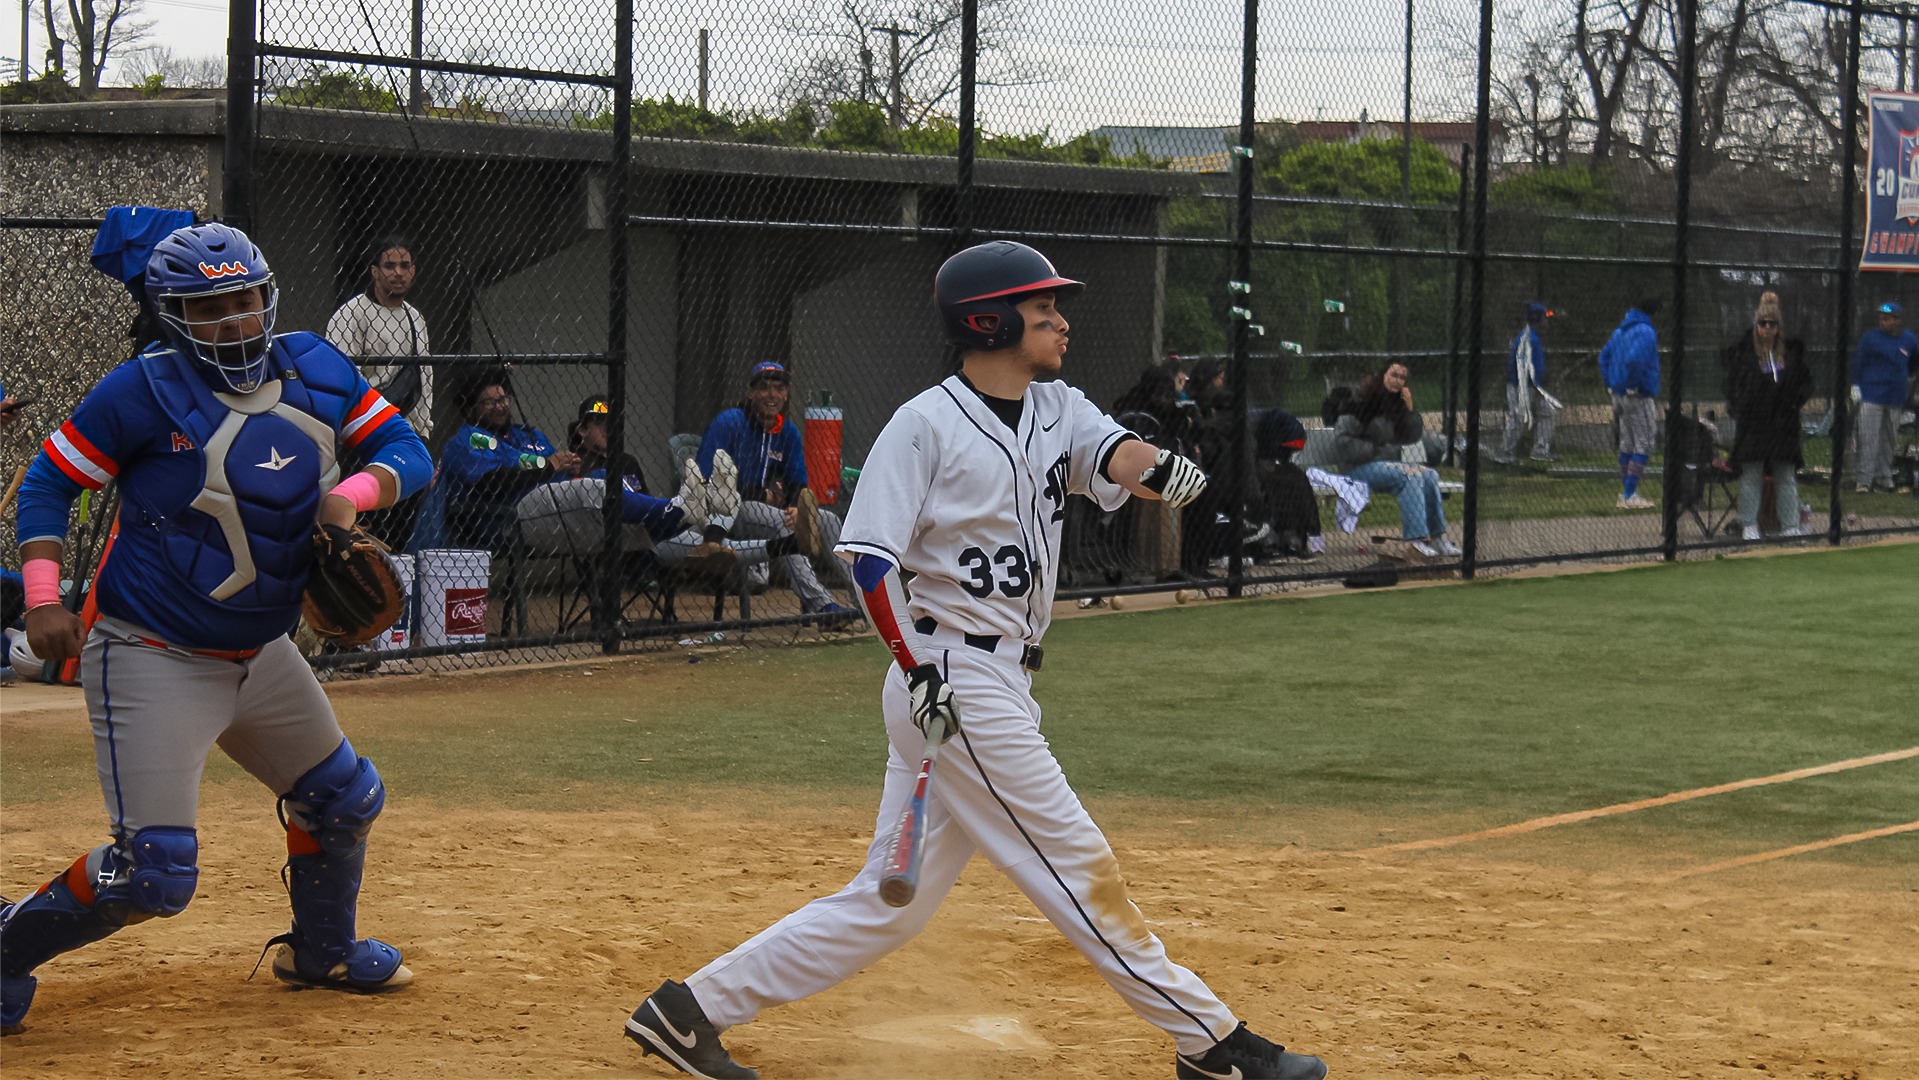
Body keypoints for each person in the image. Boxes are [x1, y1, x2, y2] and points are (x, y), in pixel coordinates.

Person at [620, 240, 1327, 1080]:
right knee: (1074, 862)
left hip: (995, 680)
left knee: (891, 904)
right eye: (1042, 311)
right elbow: (870, 560)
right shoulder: (924, 424)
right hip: (948, 677)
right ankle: (1211, 1045)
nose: (1061, 322)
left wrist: (1162, 470)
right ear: (989, 322)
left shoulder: (1056, 406)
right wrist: (917, 672)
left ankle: (686, 1010)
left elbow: (1112, 456)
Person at [2, 222, 427, 1034]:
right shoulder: (141, 389)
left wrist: (352, 497)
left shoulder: (314, 366)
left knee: (342, 799)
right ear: (173, 314)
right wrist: (45, 594)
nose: (234, 320)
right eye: (210, 307)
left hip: (260, 649)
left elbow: (405, 447)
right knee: (153, 875)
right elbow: (49, 482)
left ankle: (321, 952)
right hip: (154, 653)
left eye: (245, 300)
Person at [695, 362, 855, 622]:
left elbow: (797, 482)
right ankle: (822, 607)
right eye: (764, 387)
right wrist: (761, 496)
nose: (771, 395)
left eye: (779, 388)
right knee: (784, 525)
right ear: (750, 392)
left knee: (827, 520)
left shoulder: (786, 431)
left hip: (767, 511)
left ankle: (865, 597)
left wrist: (796, 507)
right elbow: (708, 479)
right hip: (726, 509)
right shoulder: (729, 423)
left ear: (786, 394)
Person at [326, 236, 432, 550]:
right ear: (374, 272)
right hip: (363, 435)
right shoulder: (351, 314)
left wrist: (423, 431)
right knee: (362, 531)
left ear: (413, 271)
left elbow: (425, 377)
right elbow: (341, 378)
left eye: (404, 265)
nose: (397, 273)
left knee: (399, 535)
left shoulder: (415, 318)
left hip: (405, 433)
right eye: (389, 265)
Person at [417, 373, 582, 554]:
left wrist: (569, 464)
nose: (499, 407)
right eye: (489, 403)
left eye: (503, 399)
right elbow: (490, 482)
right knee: (596, 496)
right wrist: (547, 467)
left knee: (601, 480)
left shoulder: (527, 434)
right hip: (503, 520)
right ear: (471, 408)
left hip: (555, 508)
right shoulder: (469, 438)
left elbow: (557, 463)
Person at [1332, 362, 1458, 559]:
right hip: (1356, 468)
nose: (1398, 380)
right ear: (1383, 375)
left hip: (1385, 466)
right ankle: (1416, 539)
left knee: (1429, 474)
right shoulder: (1361, 401)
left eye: (1402, 377)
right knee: (1409, 476)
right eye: (1394, 375)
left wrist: (1409, 411)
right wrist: (1374, 449)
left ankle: (1437, 537)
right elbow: (1342, 443)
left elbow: (1411, 437)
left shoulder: (1393, 407)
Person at [1721, 292, 1813, 540]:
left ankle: (1790, 526)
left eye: (1773, 324)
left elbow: (1805, 384)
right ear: (1756, 325)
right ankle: (1749, 524)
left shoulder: (1790, 355)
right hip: (1754, 426)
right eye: (1763, 324)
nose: (1768, 329)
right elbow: (1732, 387)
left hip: (1783, 426)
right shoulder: (1744, 355)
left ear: (1779, 326)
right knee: (1751, 475)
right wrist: (1741, 408)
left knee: (1786, 476)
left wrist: (1794, 403)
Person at [1600, 298, 1662, 510]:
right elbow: (1635, 360)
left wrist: (1611, 383)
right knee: (1643, 442)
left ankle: (1626, 492)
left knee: (1627, 442)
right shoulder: (1646, 331)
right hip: (1638, 395)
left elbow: (1604, 357)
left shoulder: (1620, 331)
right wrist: (1632, 385)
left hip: (1618, 395)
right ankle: (1629, 493)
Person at [1848, 300, 1916, 493]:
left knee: (1889, 439)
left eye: (1887, 318)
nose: (1882, 321)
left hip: (1895, 397)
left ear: (1897, 320)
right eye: (1881, 318)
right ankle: (1864, 480)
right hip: (1872, 395)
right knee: (1868, 437)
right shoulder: (1870, 338)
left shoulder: (1909, 340)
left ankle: (1884, 478)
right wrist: (1856, 385)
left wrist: (1906, 378)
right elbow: (1858, 362)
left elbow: (1913, 363)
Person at [1493, 301, 1558, 464]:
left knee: (1548, 411)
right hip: (1521, 386)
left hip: (1530, 386)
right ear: (1537, 319)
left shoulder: (1532, 336)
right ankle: (1505, 452)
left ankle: (1540, 450)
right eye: (1544, 318)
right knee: (1518, 418)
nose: (1546, 321)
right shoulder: (1528, 338)